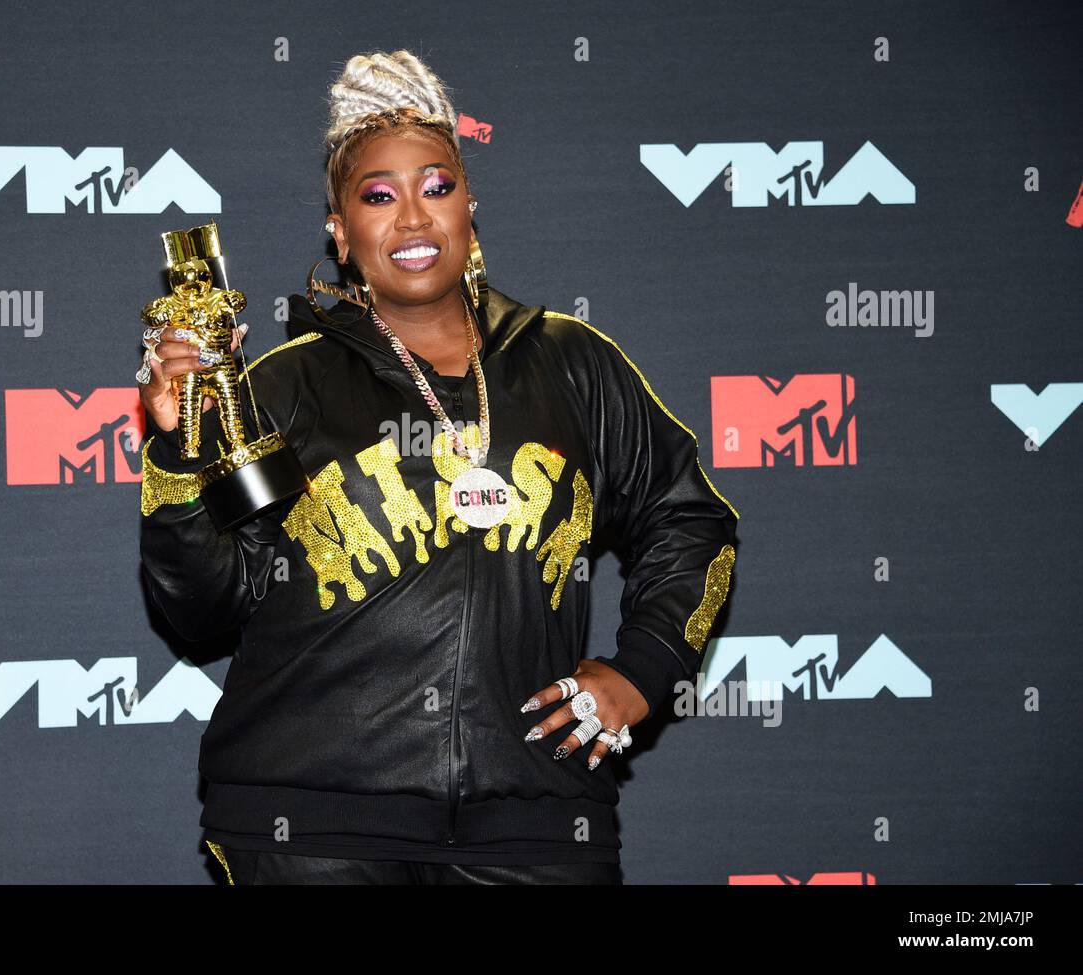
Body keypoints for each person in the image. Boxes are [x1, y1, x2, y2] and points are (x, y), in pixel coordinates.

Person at [135, 49, 739, 885]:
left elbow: (691, 520)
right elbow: (204, 609)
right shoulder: (284, 386)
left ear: (470, 206)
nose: (414, 219)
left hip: (535, 820)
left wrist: (644, 668)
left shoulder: (573, 363)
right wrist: (177, 452)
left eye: (437, 186)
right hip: (309, 826)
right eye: (379, 196)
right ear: (341, 233)